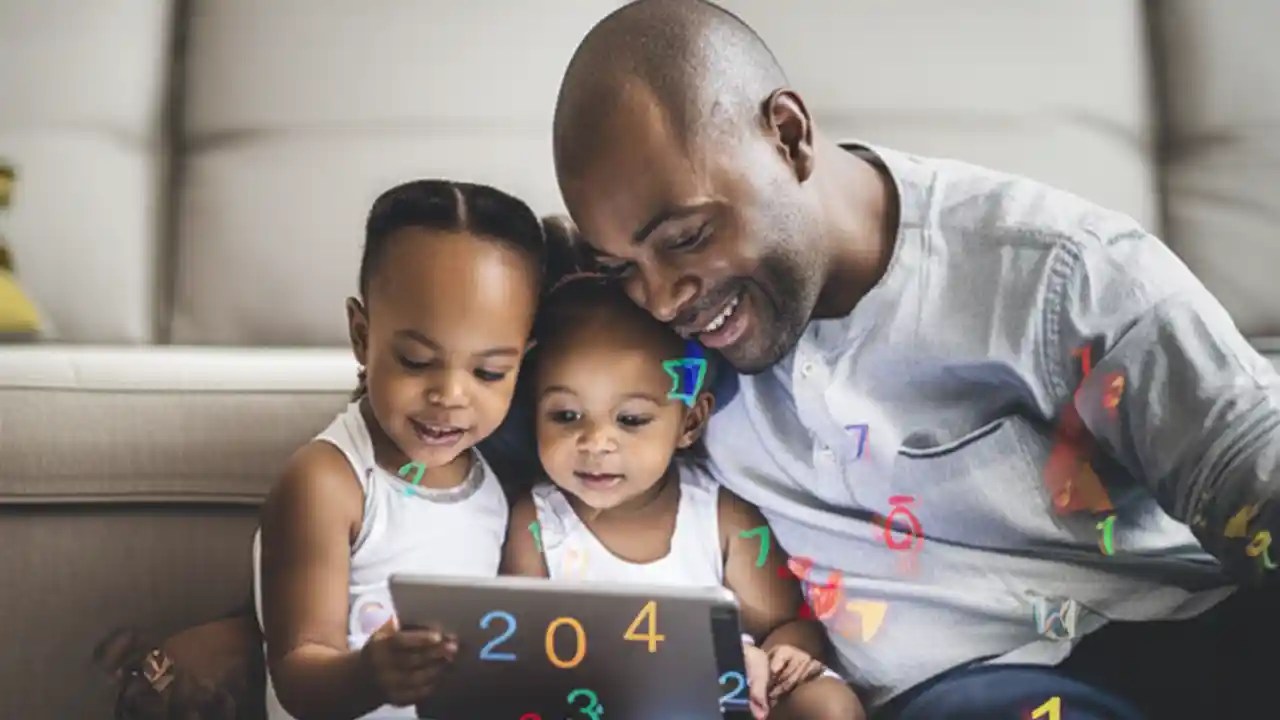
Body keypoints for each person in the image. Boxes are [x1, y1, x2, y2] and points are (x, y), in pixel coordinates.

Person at [549, 1, 1280, 717]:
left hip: (1179, 634)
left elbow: (1251, 468)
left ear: (789, 135)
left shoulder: (1060, 276)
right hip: (972, 687)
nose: (664, 298)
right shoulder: (646, 333)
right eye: (622, 265)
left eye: (685, 237)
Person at [501, 277, 864, 720]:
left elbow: (787, 623)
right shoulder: (539, 522)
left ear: (689, 422)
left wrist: (781, 656)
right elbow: (519, 650)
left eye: (631, 419)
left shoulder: (719, 514)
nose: (594, 442)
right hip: (597, 702)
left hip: (720, 701)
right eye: (566, 415)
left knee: (825, 703)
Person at [252, 180, 547, 719]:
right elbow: (296, 671)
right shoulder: (329, 482)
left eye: (489, 372)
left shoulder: (495, 486)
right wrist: (369, 675)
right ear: (362, 336)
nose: (450, 395)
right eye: (416, 360)